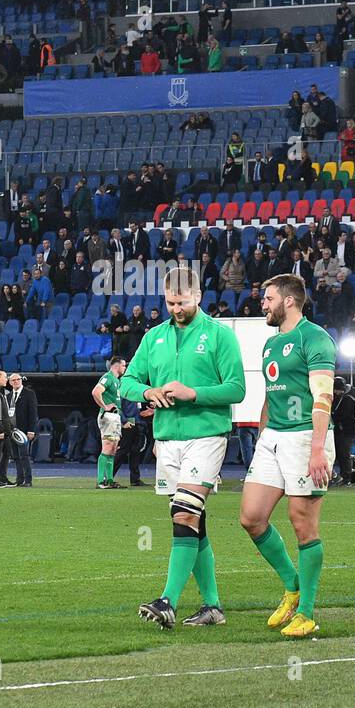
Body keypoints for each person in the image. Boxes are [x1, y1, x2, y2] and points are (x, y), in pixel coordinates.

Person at [121, 266, 246, 630]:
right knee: (191, 520)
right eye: (171, 302)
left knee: (185, 513)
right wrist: (148, 391)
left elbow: (237, 388)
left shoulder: (220, 335)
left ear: (198, 296)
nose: (176, 309)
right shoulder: (154, 337)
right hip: (167, 440)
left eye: (183, 302)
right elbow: (127, 382)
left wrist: (194, 393)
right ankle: (213, 607)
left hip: (206, 436)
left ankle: (167, 601)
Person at [238, 274, 337, 638]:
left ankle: (307, 612)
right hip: (274, 437)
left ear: (289, 301)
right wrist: (263, 436)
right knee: (251, 517)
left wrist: (317, 449)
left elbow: (323, 396)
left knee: (302, 523)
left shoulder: (315, 338)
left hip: (306, 436)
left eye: (268, 299)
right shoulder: (271, 344)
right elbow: (271, 395)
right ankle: (292, 587)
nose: (262, 304)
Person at [91, 357, 127, 489]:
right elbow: (96, 392)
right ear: (117, 366)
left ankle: (110, 480)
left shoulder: (117, 380)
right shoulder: (108, 377)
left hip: (115, 417)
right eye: (124, 365)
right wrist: (105, 406)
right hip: (109, 416)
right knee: (107, 447)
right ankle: (101, 481)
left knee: (113, 449)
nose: (125, 368)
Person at [8, 372, 38, 488]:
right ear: (10, 382)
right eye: (13, 380)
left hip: (24, 431)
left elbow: (33, 413)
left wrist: (31, 430)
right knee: (15, 456)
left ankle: (28, 480)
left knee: (24, 456)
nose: (16, 381)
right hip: (12, 431)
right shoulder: (8, 396)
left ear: (21, 380)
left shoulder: (29, 394)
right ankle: (19, 479)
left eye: (18, 379)